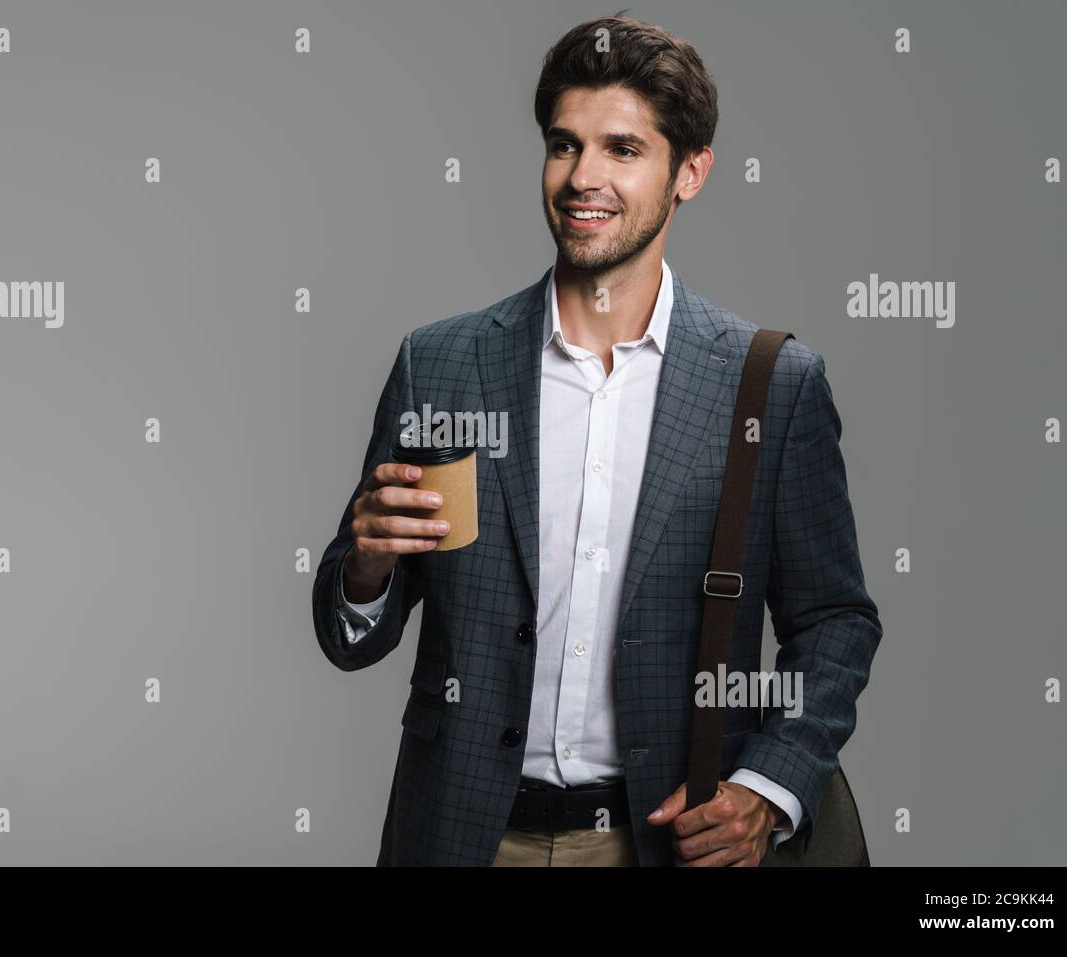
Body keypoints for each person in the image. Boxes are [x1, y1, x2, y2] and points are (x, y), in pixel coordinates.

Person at [311, 12, 882, 866]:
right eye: (564, 145)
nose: (583, 177)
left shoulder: (773, 386)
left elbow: (835, 622)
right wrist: (366, 567)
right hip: (460, 833)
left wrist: (768, 787)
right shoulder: (442, 364)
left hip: (661, 841)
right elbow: (350, 632)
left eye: (622, 149)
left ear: (690, 172)